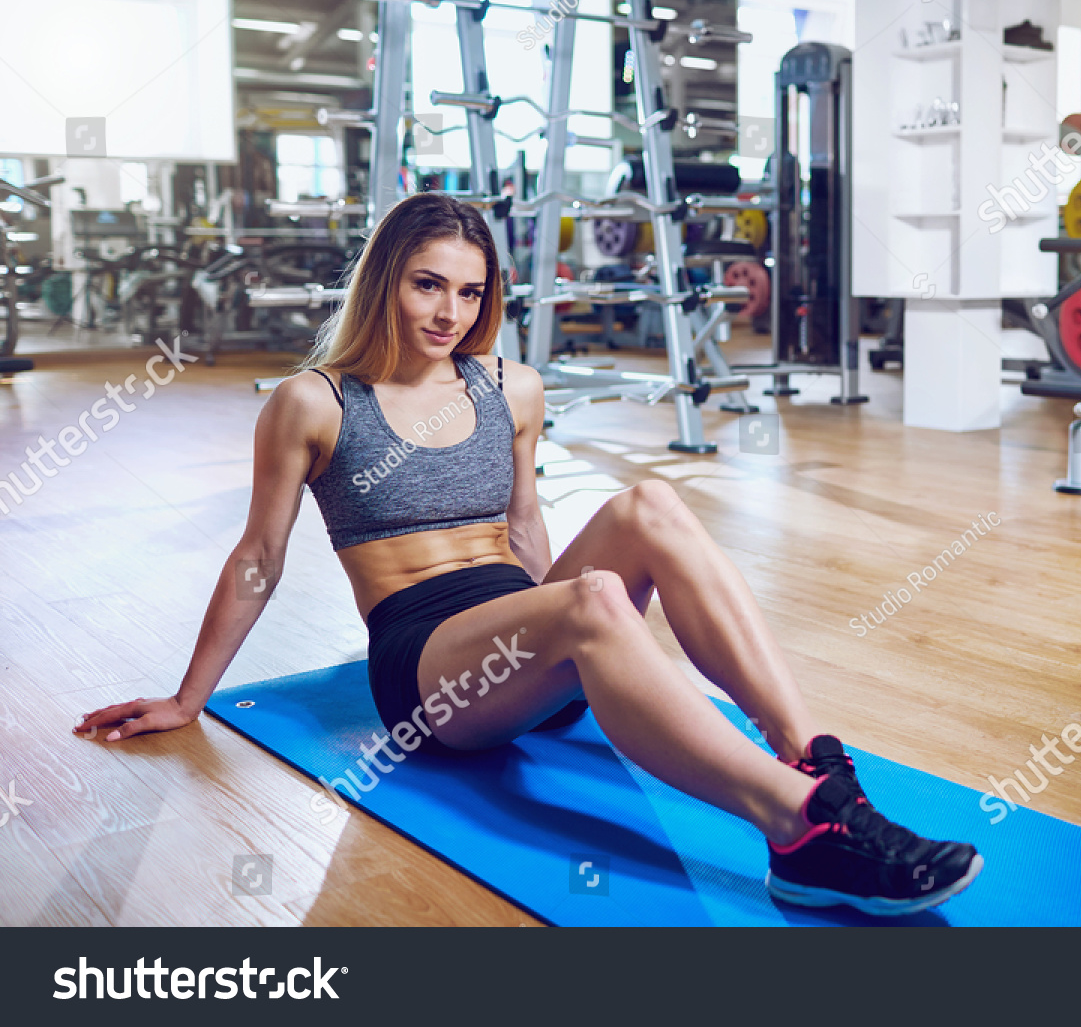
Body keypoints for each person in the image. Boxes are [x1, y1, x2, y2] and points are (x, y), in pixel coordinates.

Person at [74, 193, 982, 916]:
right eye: (428, 285)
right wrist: (189, 698)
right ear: (385, 278)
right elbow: (259, 556)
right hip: (429, 674)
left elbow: (524, 526)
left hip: (522, 648)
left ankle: (814, 759)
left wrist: (562, 631)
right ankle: (798, 832)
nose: (450, 312)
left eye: (470, 293)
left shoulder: (512, 386)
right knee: (591, 600)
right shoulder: (316, 403)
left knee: (652, 504)